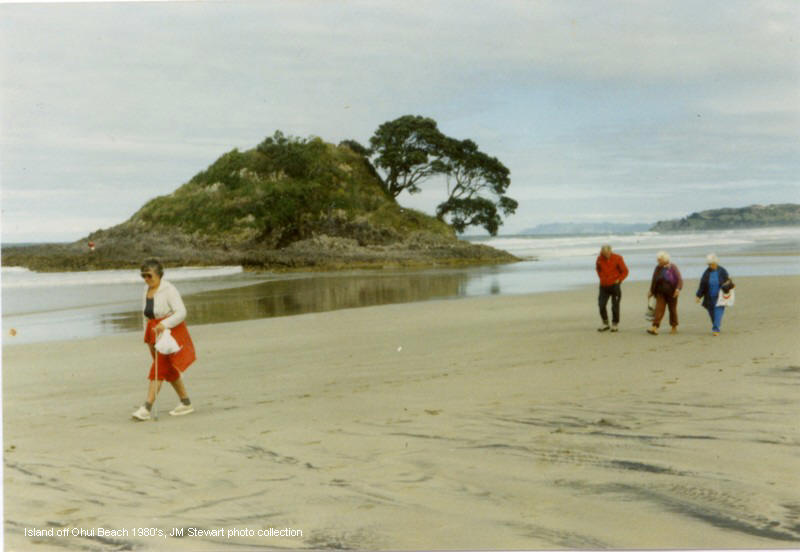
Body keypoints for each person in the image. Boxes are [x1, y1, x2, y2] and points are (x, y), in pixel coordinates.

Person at [132, 259, 197, 420]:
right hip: (153, 333)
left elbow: (181, 312)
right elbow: (146, 315)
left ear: (159, 275)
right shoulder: (146, 289)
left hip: (169, 334)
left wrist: (164, 324)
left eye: (149, 276)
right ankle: (186, 402)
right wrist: (146, 337)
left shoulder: (169, 289)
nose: (146, 279)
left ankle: (146, 407)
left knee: (158, 369)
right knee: (167, 369)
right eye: (143, 276)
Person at [695, 254, 733, 336]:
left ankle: (716, 329)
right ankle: (716, 324)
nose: (710, 266)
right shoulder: (706, 273)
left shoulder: (722, 271)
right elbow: (702, 285)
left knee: (718, 312)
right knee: (712, 313)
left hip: (720, 297)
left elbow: (729, 281)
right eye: (709, 264)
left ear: (716, 263)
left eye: (711, 264)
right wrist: (698, 296)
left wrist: (729, 284)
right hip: (709, 297)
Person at [647, 251, 683, 335]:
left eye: (659, 260)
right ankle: (655, 327)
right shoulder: (657, 268)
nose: (658, 261)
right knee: (659, 309)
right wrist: (651, 291)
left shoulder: (673, 267)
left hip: (672, 293)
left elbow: (679, 279)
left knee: (672, 310)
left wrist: (678, 289)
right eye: (657, 260)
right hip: (660, 293)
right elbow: (654, 280)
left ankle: (674, 326)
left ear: (665, 260)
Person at [595, 244, 629, 332]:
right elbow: (598, 269)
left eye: (607, 253)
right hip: (603, 286)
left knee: (615, 306)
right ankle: (605, 323)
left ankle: (615, 324)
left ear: (610, 251)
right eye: (604, 253)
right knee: (601, 305)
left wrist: (619, 280)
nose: (606, 254)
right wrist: (601, 277)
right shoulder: (599, 259)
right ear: (602, 252)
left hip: (615, 286)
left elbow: (625, 271)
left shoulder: (618, 258)